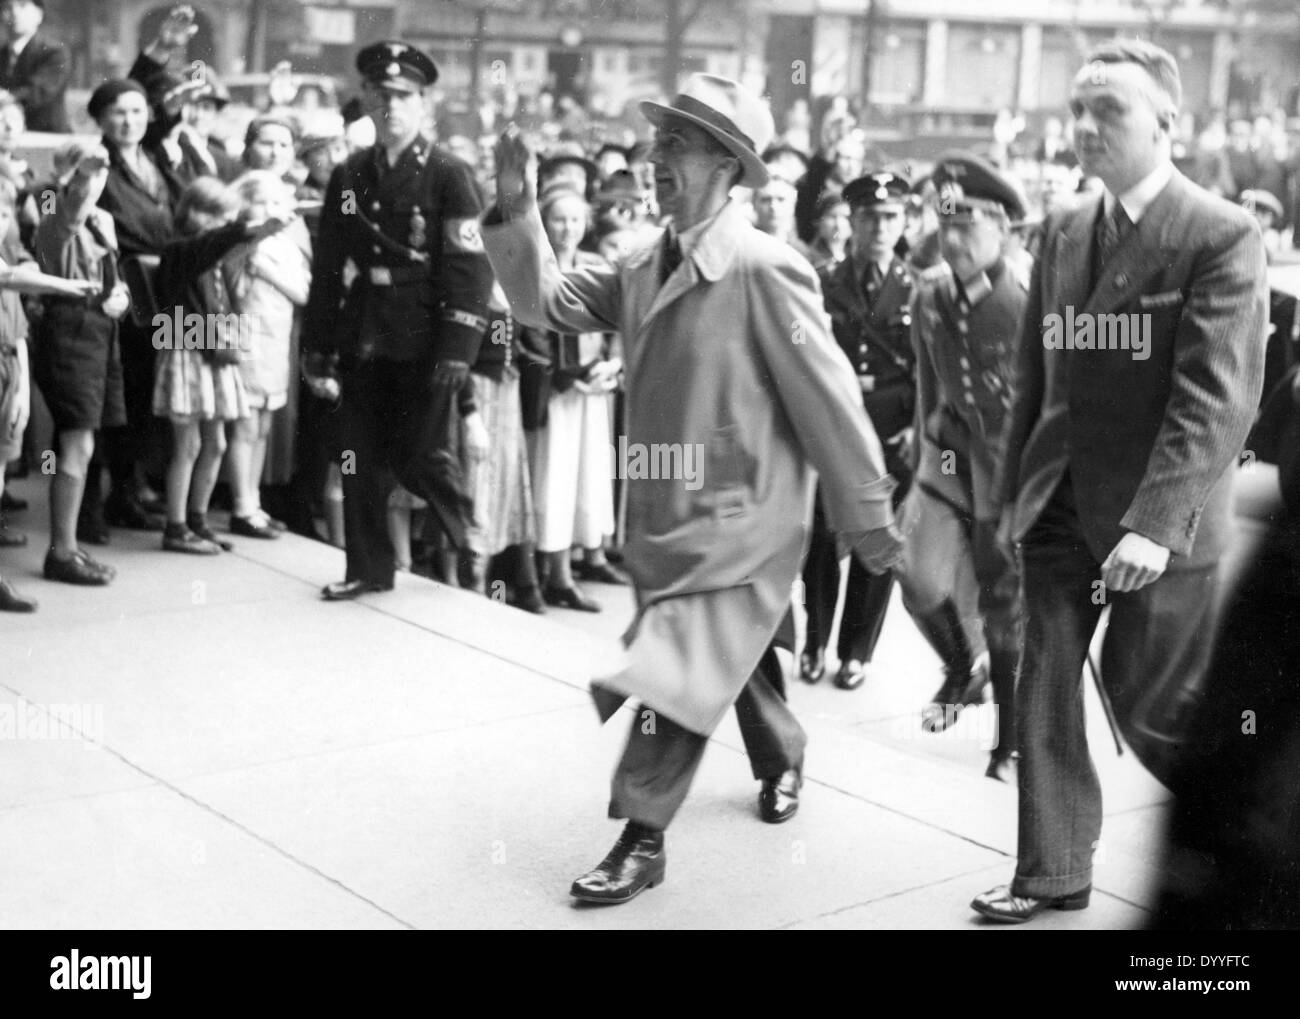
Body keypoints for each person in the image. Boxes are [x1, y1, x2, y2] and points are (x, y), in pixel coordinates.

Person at [485, 73, 903, 905]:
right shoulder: (644, 263)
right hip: (668, 517)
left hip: (746, 517)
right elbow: (545, 302)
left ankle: (642, 837)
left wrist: (868, 518)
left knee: (674, 672)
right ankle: (783, 753)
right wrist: (514, 206)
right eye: (658, 139)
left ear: (725, 165)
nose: (656, 154)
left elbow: (829, 400)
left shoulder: (767, 268)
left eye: (676, 141)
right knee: (728, 658)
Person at [971, 39, 1267, 923]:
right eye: (1078, 110)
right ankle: (1052, 870)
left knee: (1153, 706)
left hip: (1158, 520)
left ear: (1167, 122)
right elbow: (1037, 376)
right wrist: (1008, 498)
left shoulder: (1218, 232)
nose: (1086, 126)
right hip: (1059, 500)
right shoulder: (1064, 225)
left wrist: (1155, 521)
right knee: (1044, 683)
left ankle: (1261, 842)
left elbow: (1214, 397)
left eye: (1110, 110)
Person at [302, 41, 493, 601]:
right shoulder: (350, 175)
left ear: (423, 103)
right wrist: (318, 343)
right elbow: (329, 265)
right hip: (365, 331)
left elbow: (469, 270)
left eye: (404, 97)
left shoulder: (449, 174)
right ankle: (368, 568)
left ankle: (467, 530)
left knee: (417, 453)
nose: (391, 107)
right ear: (366, 99)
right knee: (357, 455)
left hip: (424, 335)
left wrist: (458, 349)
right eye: (381, 95)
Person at [894, 154, 1028, 783]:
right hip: (947, 456)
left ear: (1002, 227)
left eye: (967, 225)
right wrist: (923, 439)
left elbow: (1058, 401)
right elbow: (930, 380)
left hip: (1008, 468)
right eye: (944, 224)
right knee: (914, 573)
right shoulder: (929, 294)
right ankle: (961, 667)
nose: (952, 239)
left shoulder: (1029, 302)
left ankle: (1009, 741)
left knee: (1005, 602)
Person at [800, 171, 915, 690]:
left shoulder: (919, 287)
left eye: (890, 217)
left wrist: (917, 428)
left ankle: (856, 652)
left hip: (892, 433)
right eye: (869, 217)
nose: (880, 228)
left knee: (878, 539)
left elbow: (929, 368)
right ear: (853, 221)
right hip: (835, 430)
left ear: (905, 221)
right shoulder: (823, 280)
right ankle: (814, 643)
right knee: (824, 539)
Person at [31, 142, 132, 585]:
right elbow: (68, 214)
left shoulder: (101, 220)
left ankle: (68, 545)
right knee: (75, 443)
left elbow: (113, 273)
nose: (94, 181)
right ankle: (61, 551)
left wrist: (120, 295)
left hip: (99, 332)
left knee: (84, 444)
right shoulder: (52, 210)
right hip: (69, 330)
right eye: (84, 170)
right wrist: (83, 176)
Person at [223, 170, 312, 539]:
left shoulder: (286, 245)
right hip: (249, 339)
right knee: (245, 426)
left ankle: (254, 501)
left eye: (277, 202)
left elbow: (303, 291)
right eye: (262, 202)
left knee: (262, 426)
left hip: (275, 341)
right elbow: (234, 289)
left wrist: (268, 272)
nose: (271, 209)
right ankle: (241, 506)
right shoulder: (243, 243)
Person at [0, 0, 68, 133]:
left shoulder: (54, 52)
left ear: (39, 14)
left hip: (47, 136)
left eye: (22, 5)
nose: (14, 12)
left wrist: (7, 98)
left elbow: (39, 91)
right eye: (7, 7)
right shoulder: (1, 55)